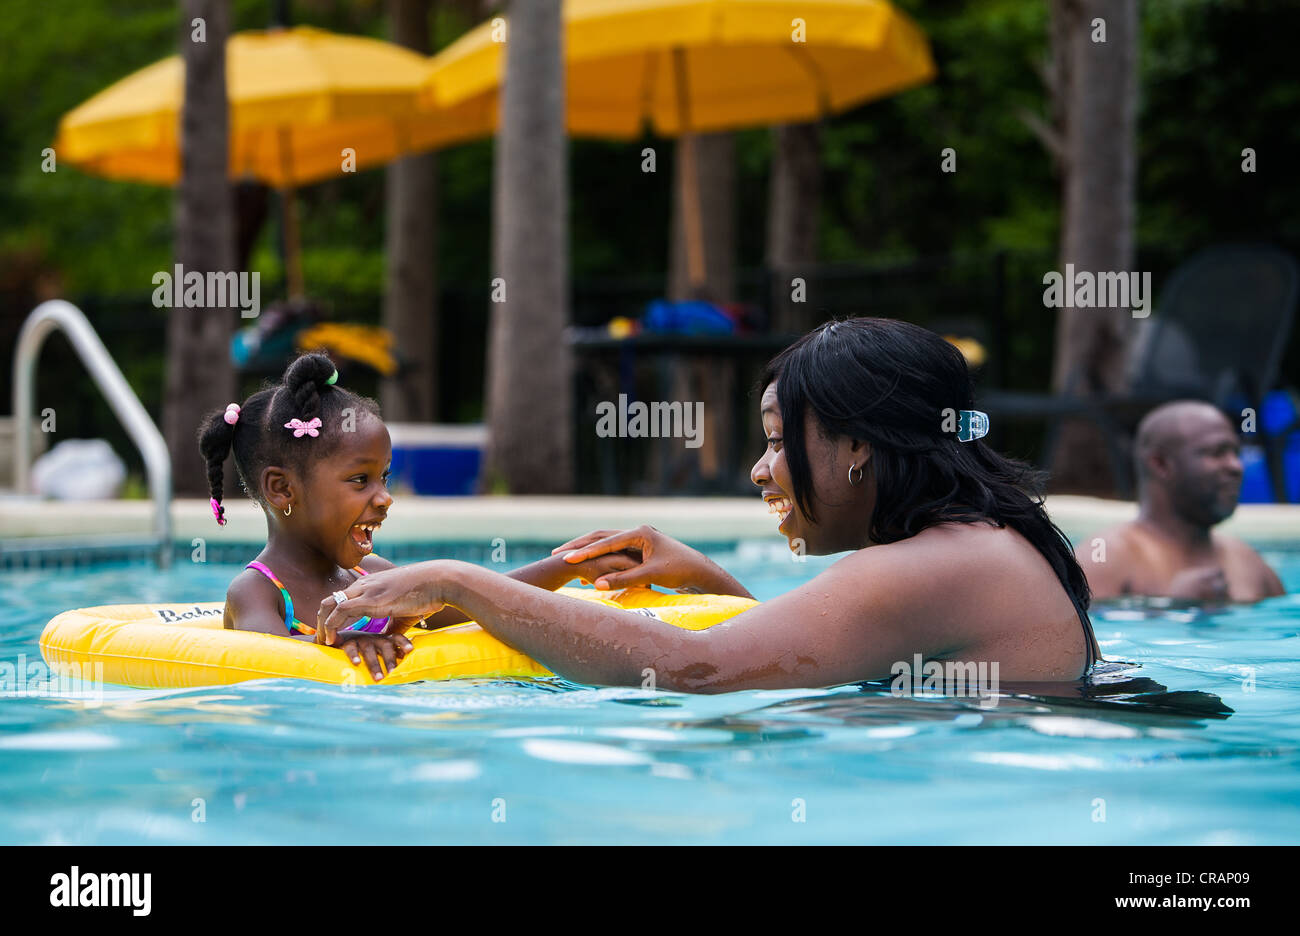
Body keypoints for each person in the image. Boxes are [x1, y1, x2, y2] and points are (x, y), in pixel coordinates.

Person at [312, 318, 1102, 692]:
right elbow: (819, 659)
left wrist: (457, 580)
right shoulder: (975, 545)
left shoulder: (944, 563)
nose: (760, 473)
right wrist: (716, 584)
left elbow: (694, 671)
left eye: (775, 441)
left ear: (859, 446)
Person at [197, 352, 637, 680]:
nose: (385, 498)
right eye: (359, 480)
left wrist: (570, 565)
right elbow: (271, 665)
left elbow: (473, 602)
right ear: (282, 489)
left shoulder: (369, 575)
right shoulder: (257, 593)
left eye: (384, 478)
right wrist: (342, 641)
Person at [1075, 400, 1284, 603]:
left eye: (1235, 453)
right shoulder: (1103, 559)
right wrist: (1170, 607)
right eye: (1217, 453)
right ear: (1161, 464)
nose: (1236, 466)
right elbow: (1073, 634)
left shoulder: (1248, 563)